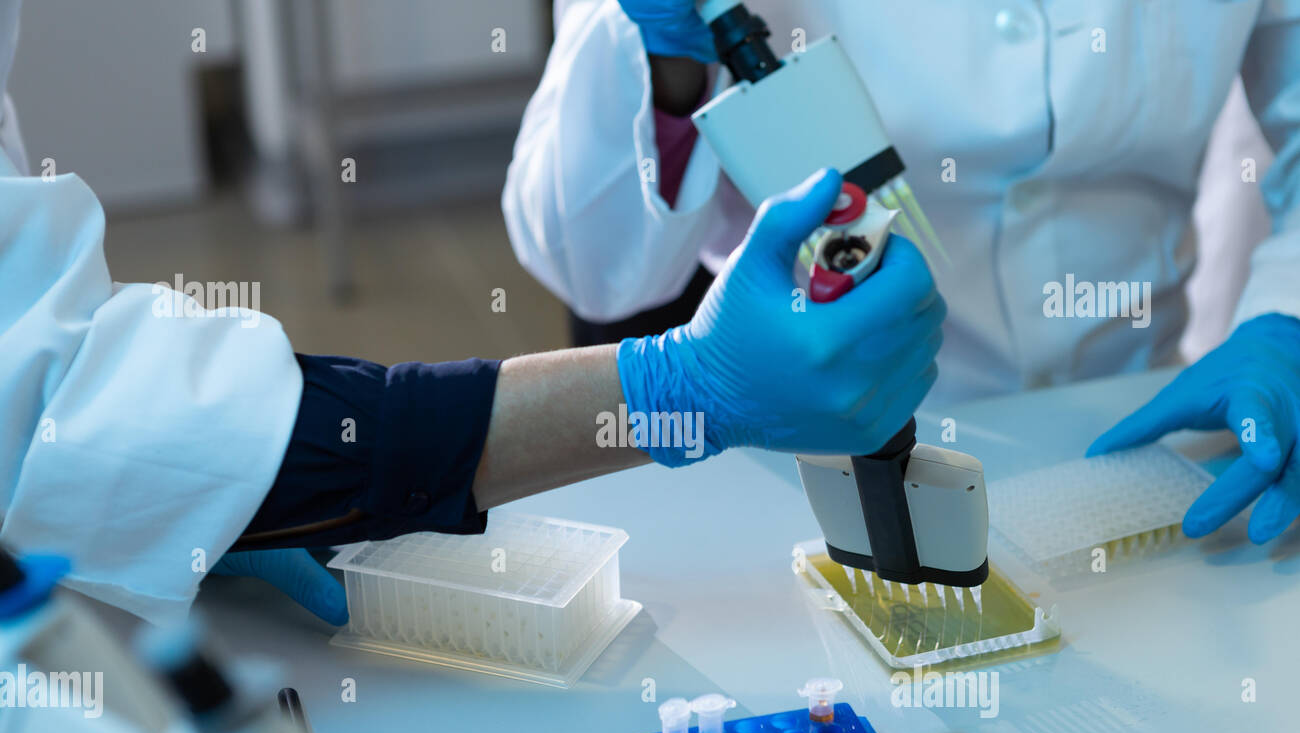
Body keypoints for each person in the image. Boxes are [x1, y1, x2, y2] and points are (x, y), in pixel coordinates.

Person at [0, 0, 943, 627]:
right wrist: (663, 77)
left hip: (1063, 386)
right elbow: (45, 395)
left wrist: (243, 471)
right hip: (826, 420)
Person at [502, 0, 1300, 546]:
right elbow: (595, 266)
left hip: (1128, 432)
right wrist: (661, 65)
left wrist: (1288, 317)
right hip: (811, 464)